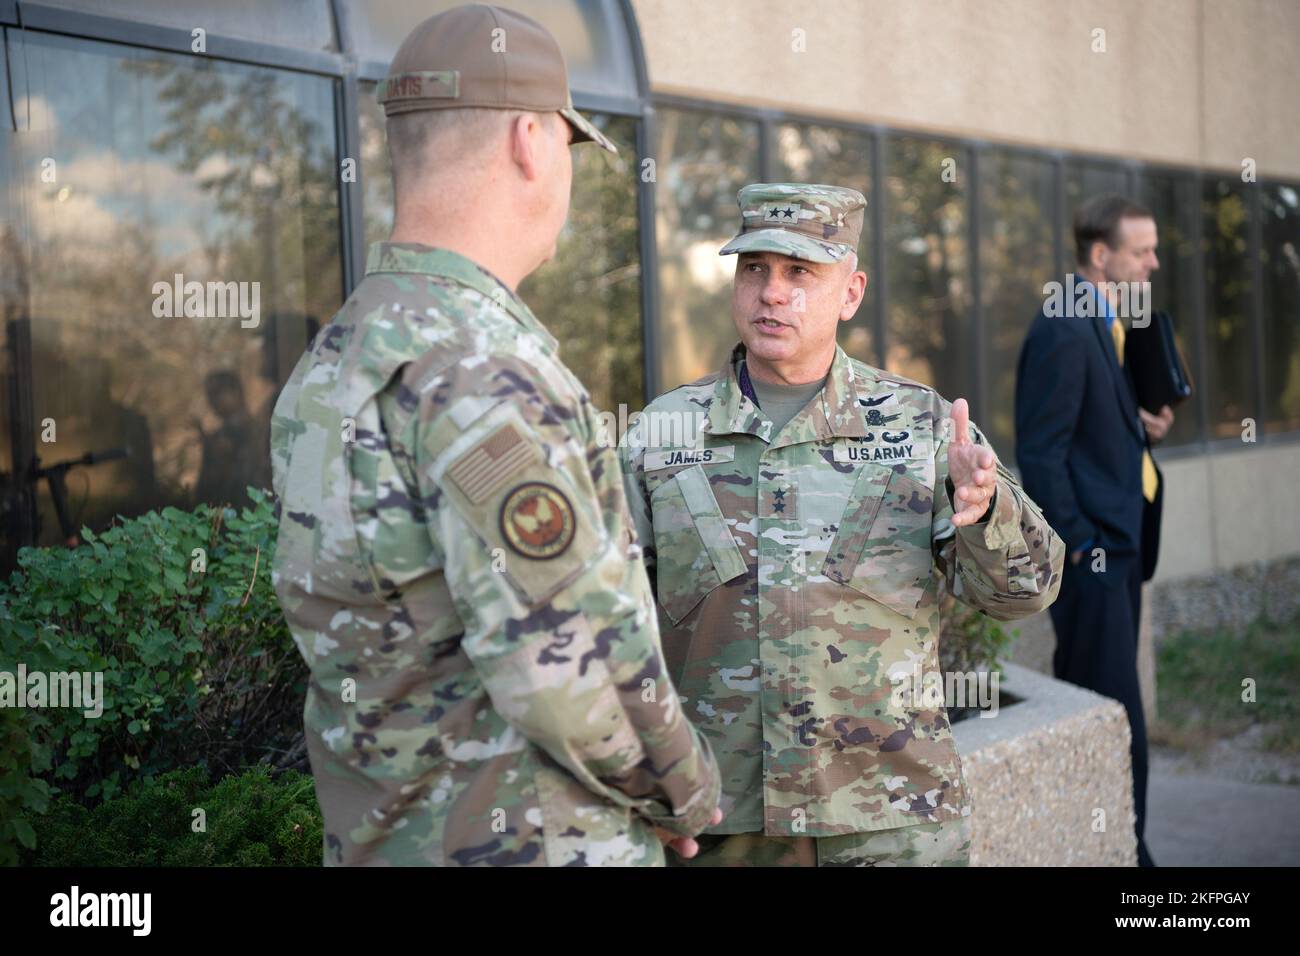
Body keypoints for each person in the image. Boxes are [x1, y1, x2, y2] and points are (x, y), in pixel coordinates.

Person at [270, 3, 720, 867]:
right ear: (529, 141)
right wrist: (684, 792)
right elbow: (572, 673)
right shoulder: (483, 372)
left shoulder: (334, 358)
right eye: (568, 144)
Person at [619, 182, 1064, 866]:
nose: (772, 292)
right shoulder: (660, 433)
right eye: (755, 269)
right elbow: (615, 631)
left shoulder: (921, 428)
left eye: (800, 273)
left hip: (889, 821)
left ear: (850, 293)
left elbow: (1024, 593)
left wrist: (987, 512)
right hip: (720, 824)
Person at [1014, 194, 1171, 868]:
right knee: (1115, 720)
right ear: (1101, 256)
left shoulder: (1106, 322)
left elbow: (1084, 431)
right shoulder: (1062, 326)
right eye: (1141, 251)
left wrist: (1142, 426)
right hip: (1097, 555)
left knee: (1116, 711)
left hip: (1124, 547)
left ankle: (1122, 845)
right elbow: (1042, 450)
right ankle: (1121, 852)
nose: (1154, 263)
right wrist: (1082, 544)